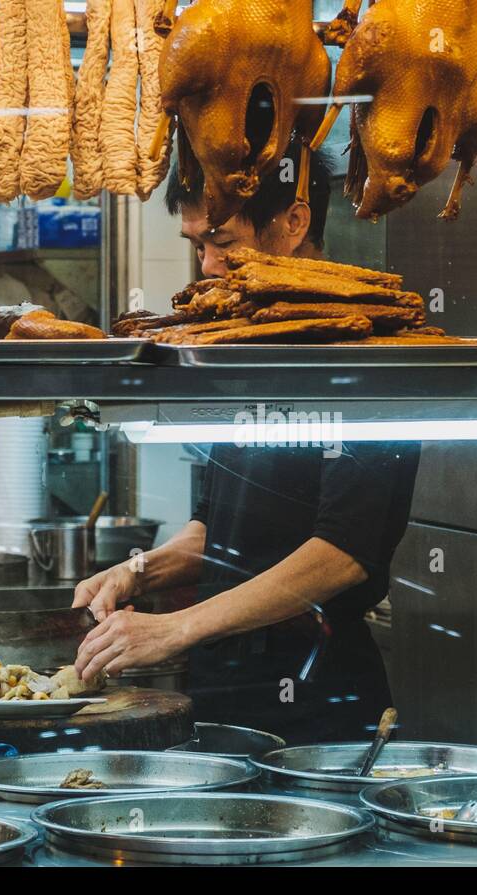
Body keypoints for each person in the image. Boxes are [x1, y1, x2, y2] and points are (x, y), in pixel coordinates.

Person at [72, 143, 420, 743]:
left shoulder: (364, 357)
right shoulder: (250, 356)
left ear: (295, 222)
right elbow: (217, 529)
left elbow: (342, 554)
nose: (207, 266)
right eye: (198, 246)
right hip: (225, 682)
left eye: (223, 243)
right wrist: (139, 570)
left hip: (315, 693)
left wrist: (176, 629)